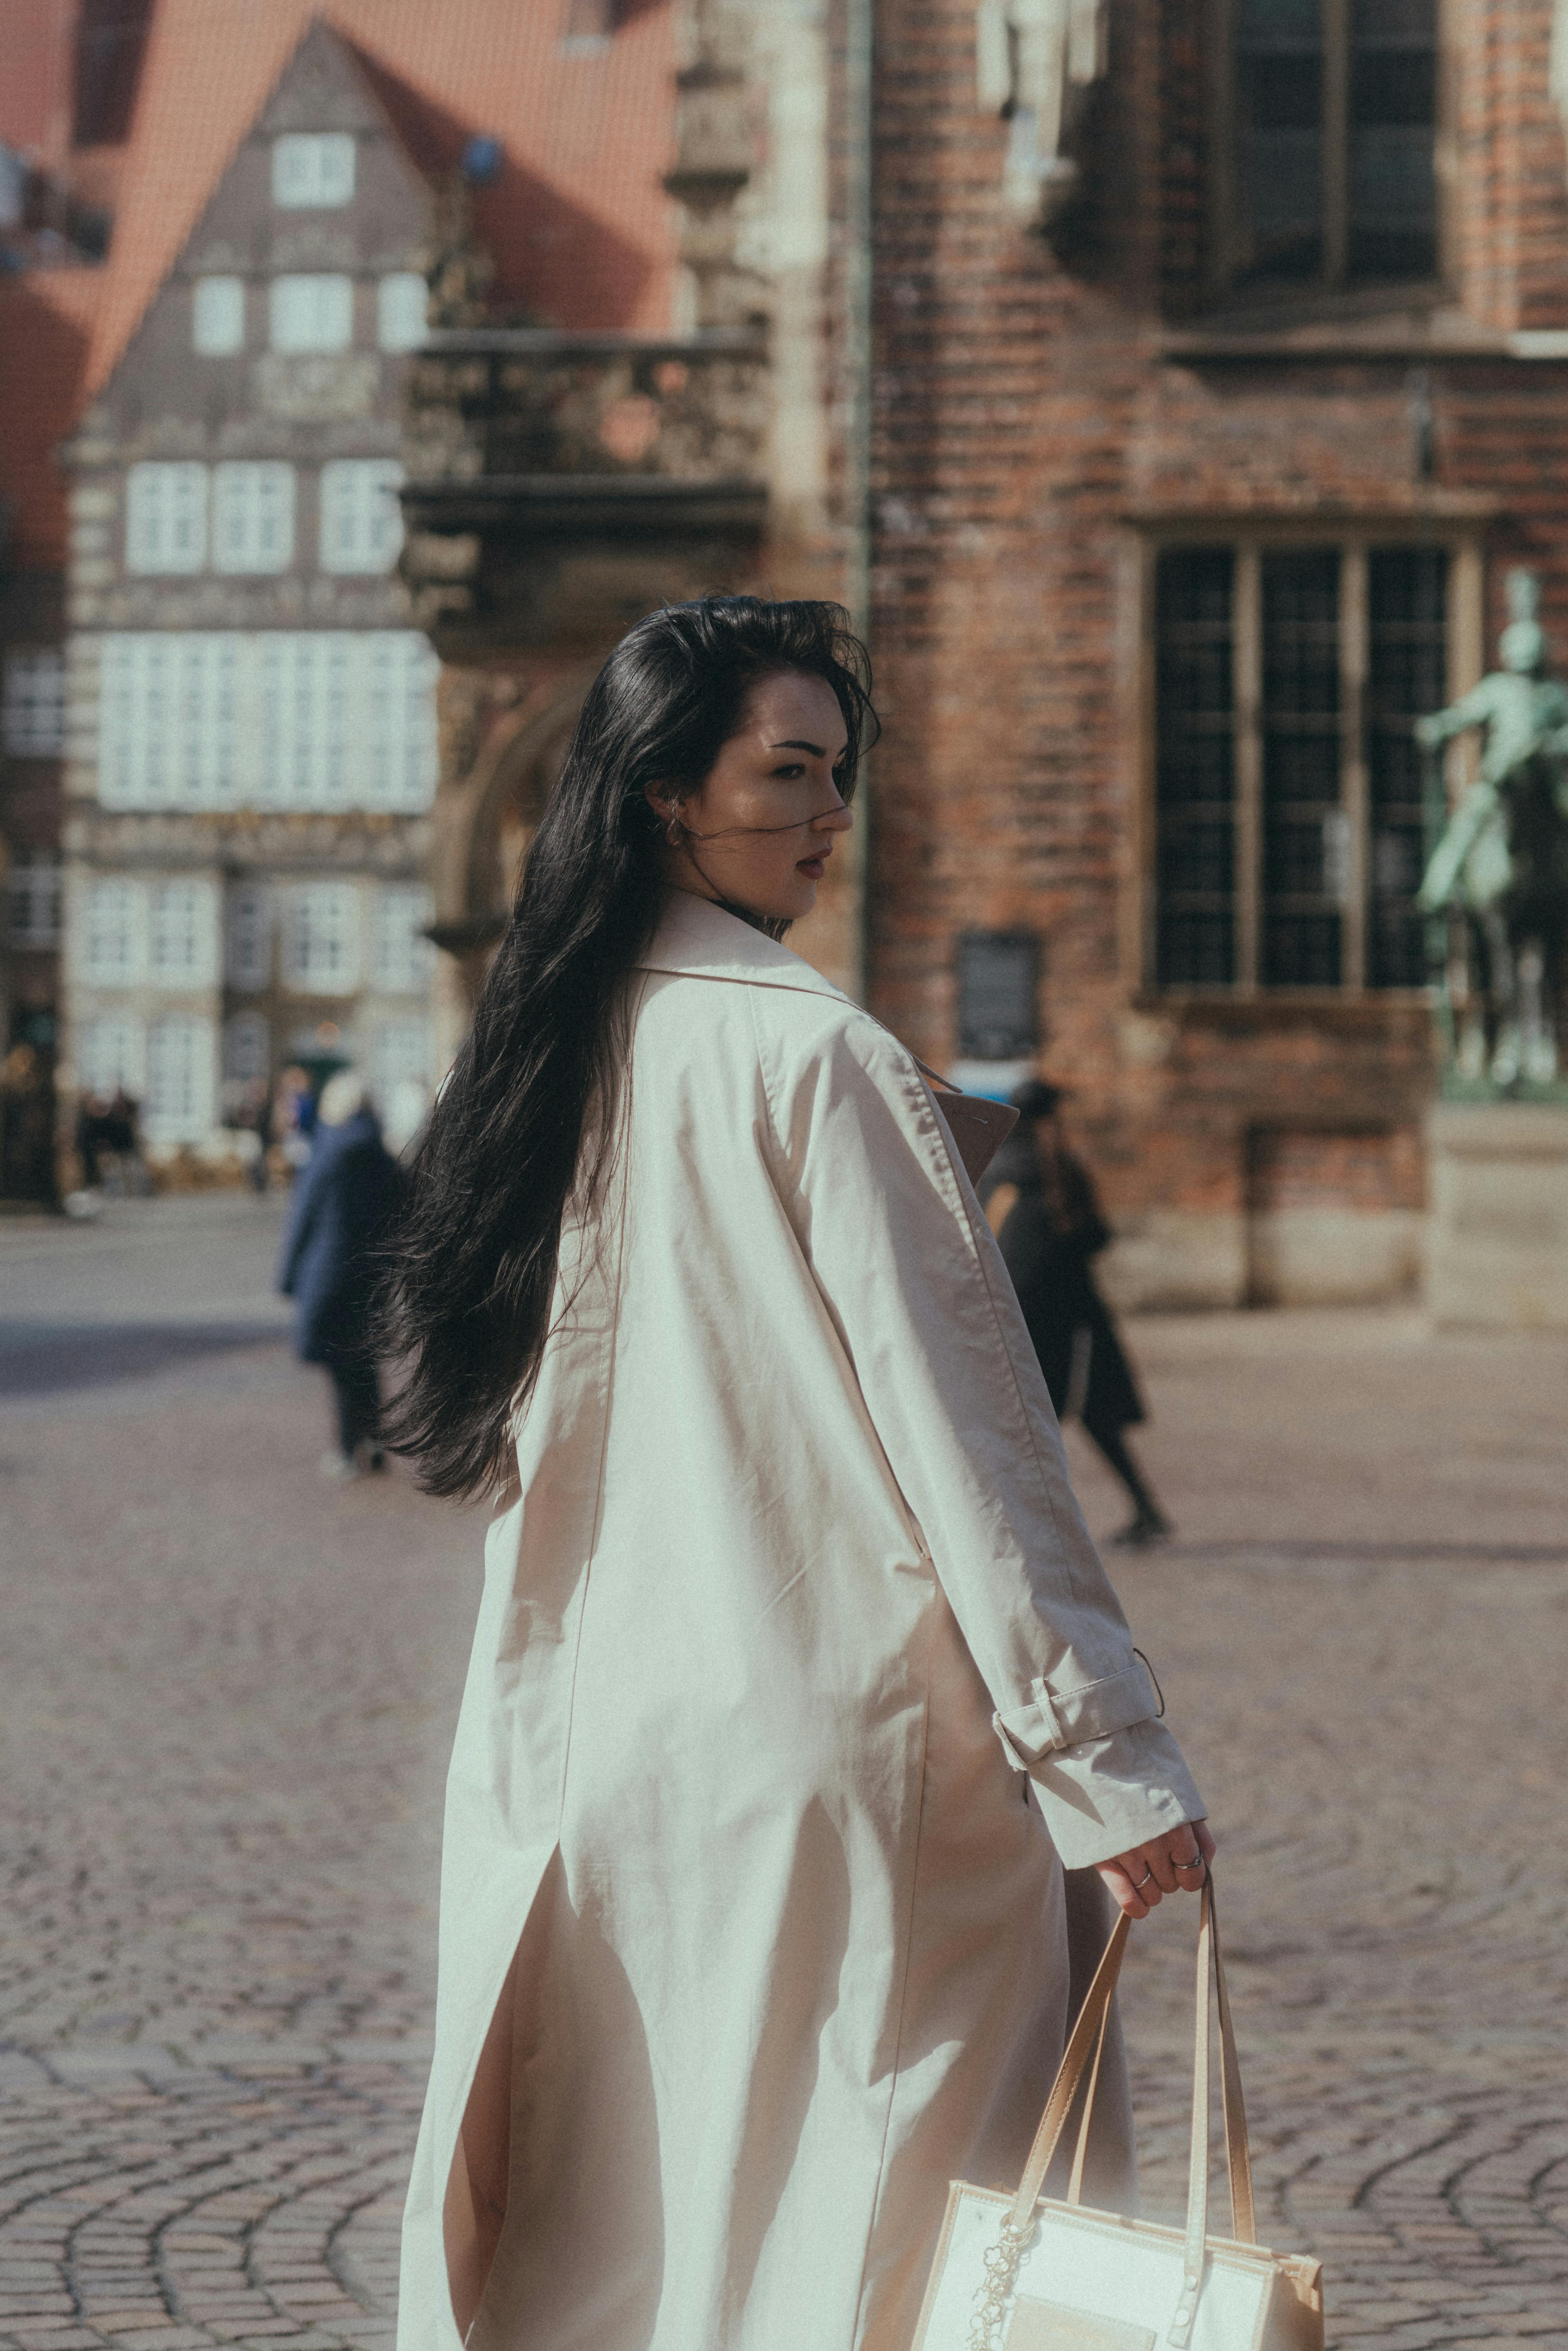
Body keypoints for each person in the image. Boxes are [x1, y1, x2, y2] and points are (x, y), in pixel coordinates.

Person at [383, 598, 1213, 2351]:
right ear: (669, 794)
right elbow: (971, 1437)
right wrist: (1106, 1757)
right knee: (888, 2260)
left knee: (644, 2248)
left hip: (600, 1769)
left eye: (838, 776)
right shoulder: (815, 1055)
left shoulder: (546, 1059)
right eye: (788, 773)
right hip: (848, 1769)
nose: (827, 814)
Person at [982, 1080, 1173, 1548]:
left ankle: (1026, 1525)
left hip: (1017, 1320)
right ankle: (1140, 1510)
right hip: (1073, 1316)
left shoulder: (994, 1171)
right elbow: (1095, 1238)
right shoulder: (1059, 1171)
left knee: (1024, 1423)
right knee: (1089, 1418)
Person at [277, 1071, 404, 1479]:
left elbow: (304, 1217)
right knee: (365, 1360)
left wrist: (288, 1276)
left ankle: (348, 1449)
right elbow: (407, 1215)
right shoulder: (384, 1158)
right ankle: (375, 1437)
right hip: (374, 1275)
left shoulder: (327, 1153)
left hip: (329, 1271)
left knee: (340, 1365)